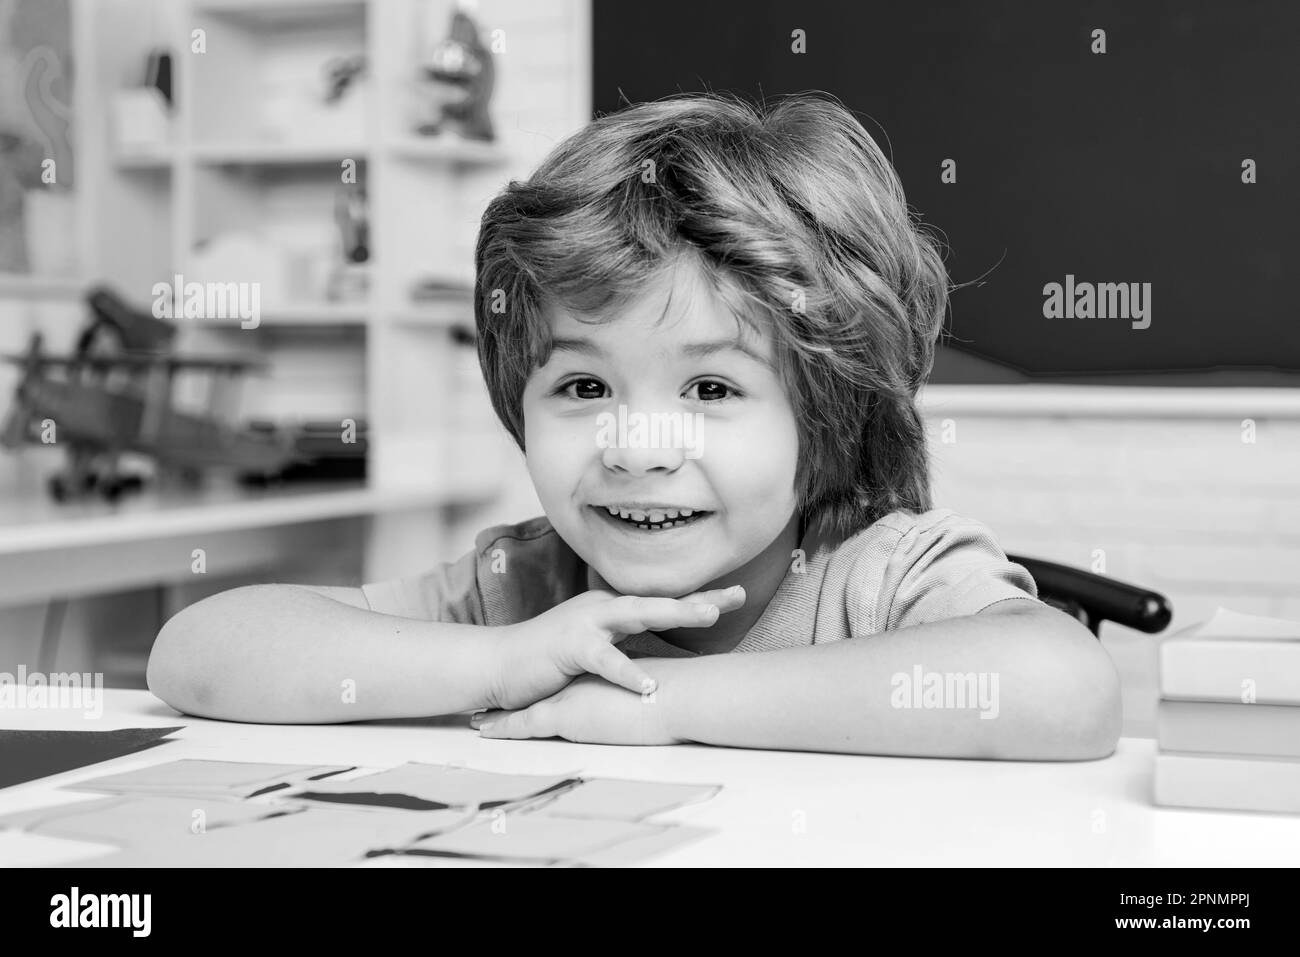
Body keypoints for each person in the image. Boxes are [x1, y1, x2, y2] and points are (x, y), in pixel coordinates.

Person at [148, 92, 1121, 760]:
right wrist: (500, 661)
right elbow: (197, 652)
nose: (636, 445)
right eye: (581, 389)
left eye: (709, 391)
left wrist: (662, 706)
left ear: (823, 416)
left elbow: (1064, 691)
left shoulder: (877, 575)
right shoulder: (526, 592)